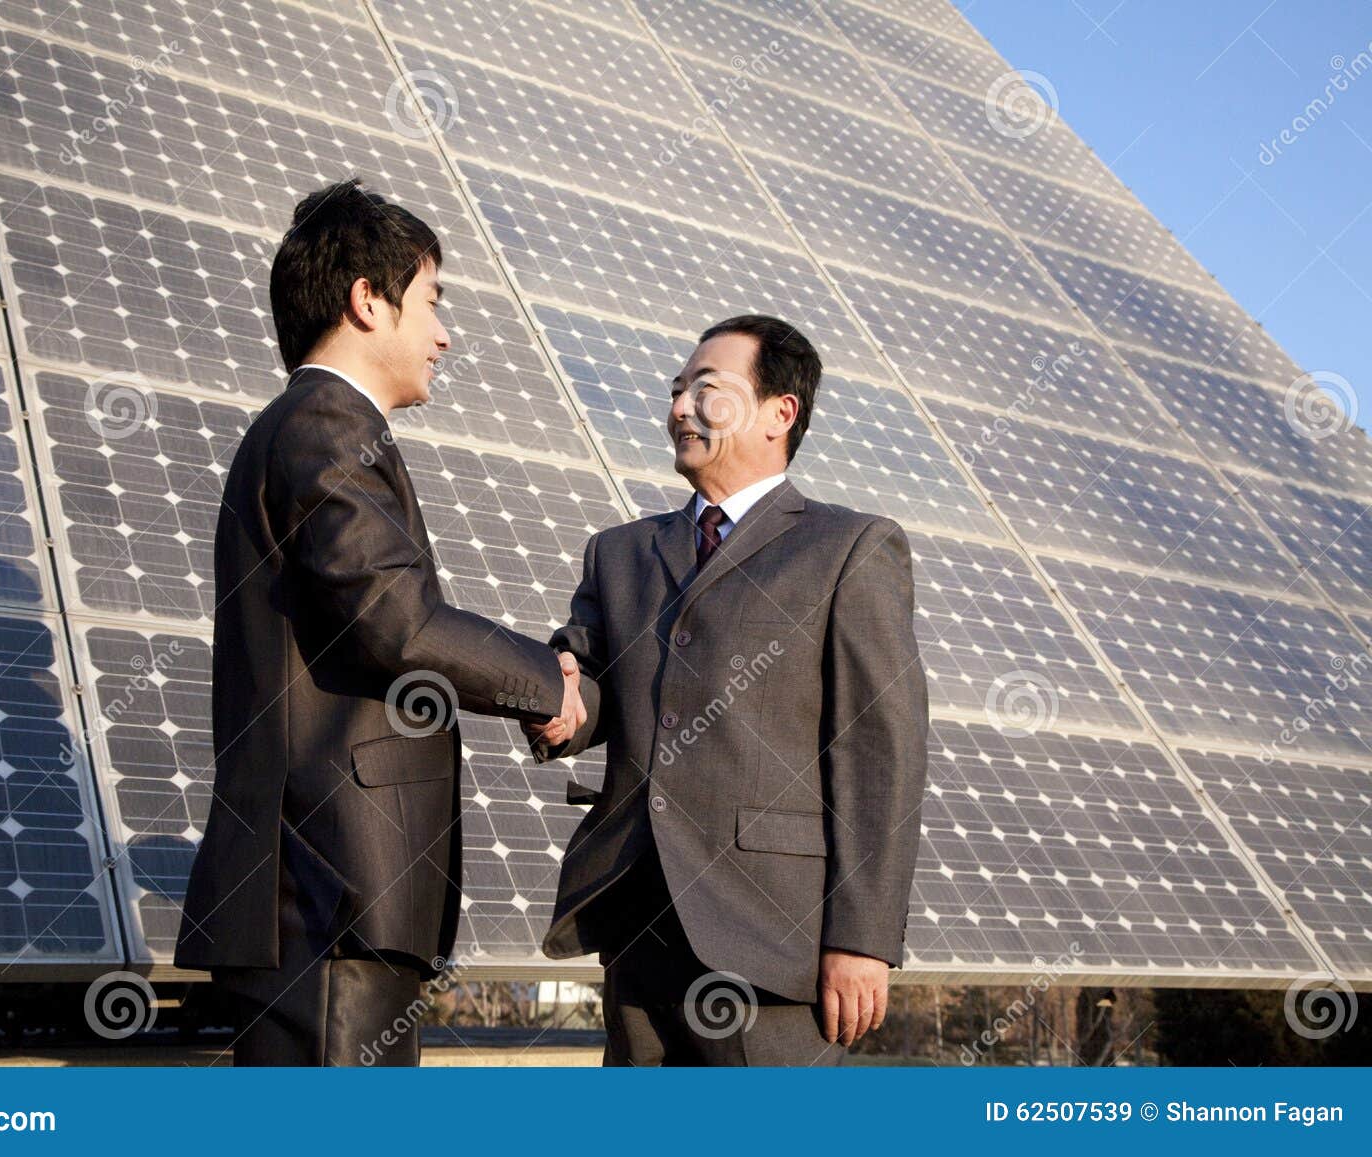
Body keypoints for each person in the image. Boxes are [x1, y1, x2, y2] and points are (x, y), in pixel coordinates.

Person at [175, 178, 584, 1066]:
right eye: (432, 302)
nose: (444, 334)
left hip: (327, 894)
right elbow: (395, 621)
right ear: (368, 301)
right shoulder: (323, 424)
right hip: (327, 887)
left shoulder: (314, 428)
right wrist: (548, 681)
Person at [526, 315, 929, 1065]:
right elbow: (588, 690)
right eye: (676, 390)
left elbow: (882, 752)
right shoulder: (619, 553)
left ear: (781, 413)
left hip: (773, 943)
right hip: (637, 927)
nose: (679, 407)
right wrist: (558, 709)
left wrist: (862, 937)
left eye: (705, 389)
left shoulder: (850, 548)